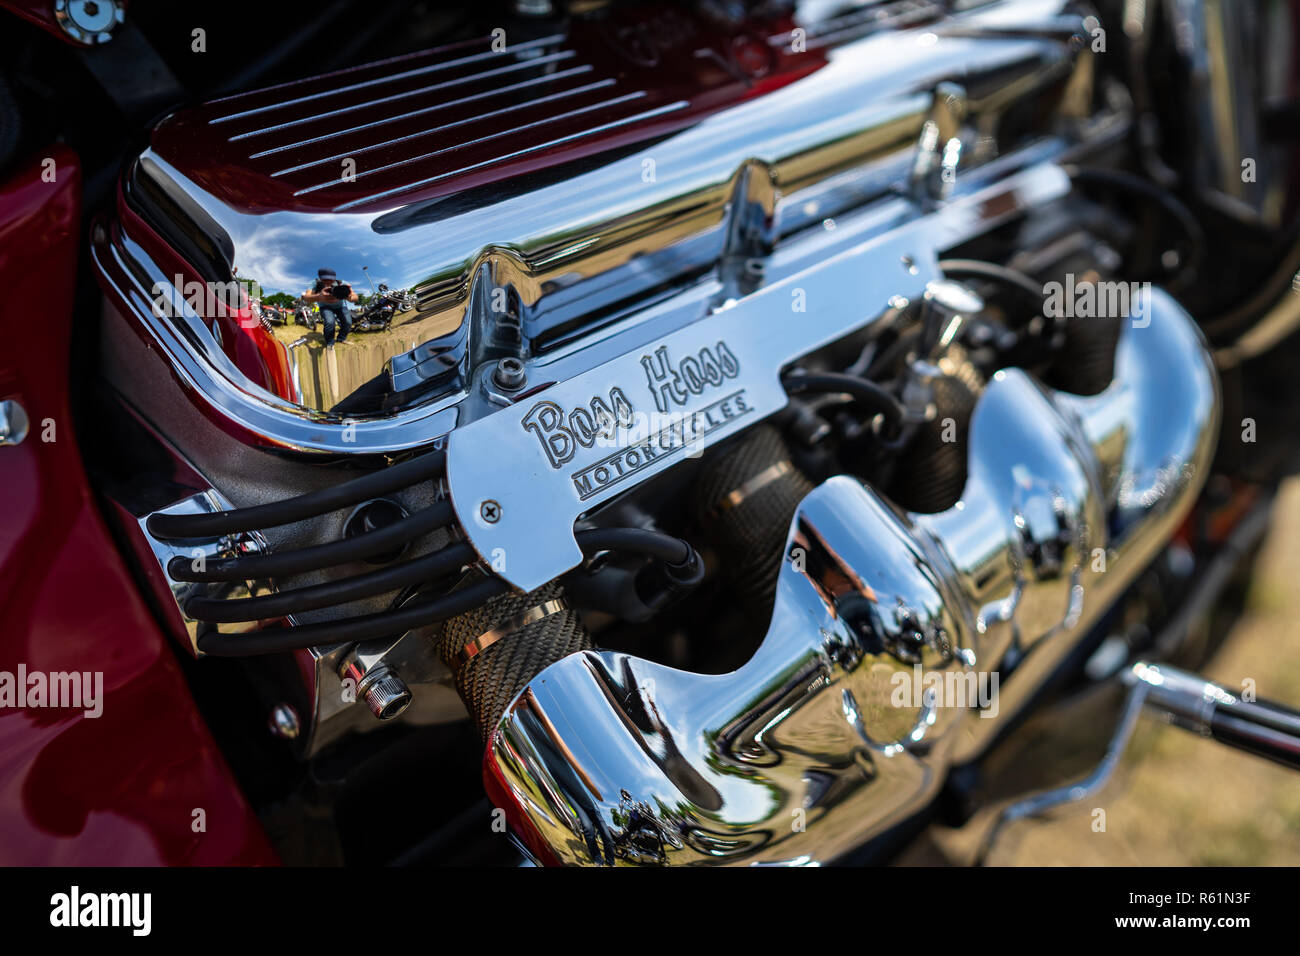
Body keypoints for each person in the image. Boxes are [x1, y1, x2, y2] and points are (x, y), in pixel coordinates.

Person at [303, 268, 358, 347]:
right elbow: (306, 297)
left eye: (331, 279)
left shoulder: (342, 283)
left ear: (335, 278)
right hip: (325, 307)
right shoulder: (314, 283)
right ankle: (330, 342)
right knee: (329, 322)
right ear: (320, 278)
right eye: (325, 279)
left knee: (348, 322)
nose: (328, 281)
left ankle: (341, 338)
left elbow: (355, 297)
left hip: (340, 306)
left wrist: (349, 297)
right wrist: (319, 296)